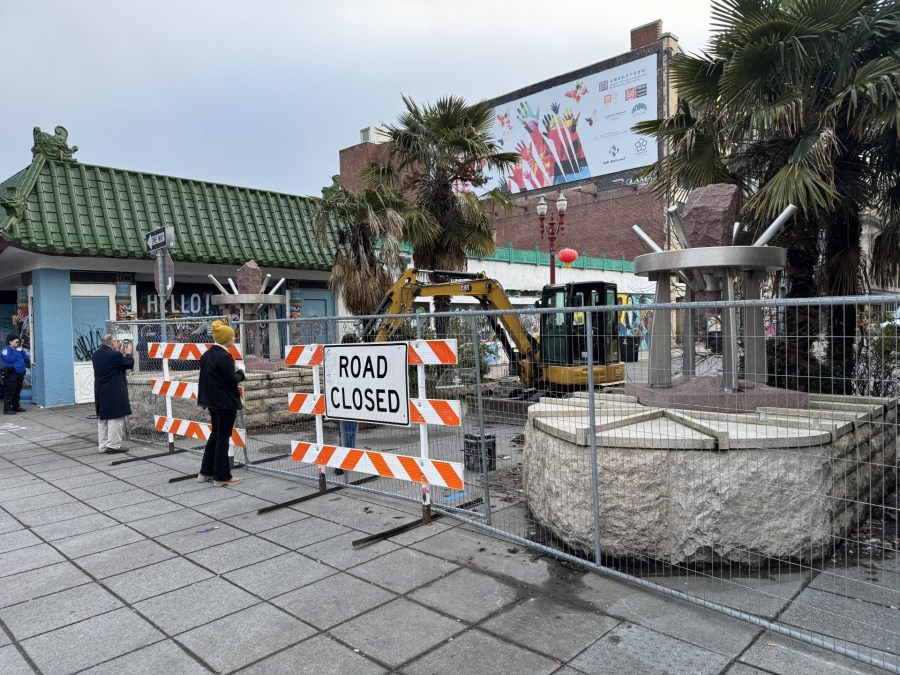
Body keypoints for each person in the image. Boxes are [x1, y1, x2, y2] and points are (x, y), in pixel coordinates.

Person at [197, 320, 246, 487]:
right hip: (225, 403)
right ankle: (221, 476)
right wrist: (241, 373)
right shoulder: (224, 357)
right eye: (232, 337)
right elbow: (232, 380)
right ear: (226, 339)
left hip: (211, 402)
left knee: (215, 434)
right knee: (223, 437)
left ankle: (205, 472)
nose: (234, 339)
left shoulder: (207, 354)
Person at [91, 334, 134, 452]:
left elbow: (113, 364)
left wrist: (120, 353)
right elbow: (129, 364)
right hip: (114, 391)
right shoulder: (114, 355)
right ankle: (113, 445)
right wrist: (128, 353)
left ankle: (103, 445)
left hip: (100, 390)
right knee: (116, 418)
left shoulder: (96, 355)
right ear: (113, 343)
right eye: (116, 341)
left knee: (103, 419)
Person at [1, 335, 29, 414]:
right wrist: (16, 351)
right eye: (16, 341)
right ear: (10, 341)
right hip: (11, 374)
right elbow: (10, 359)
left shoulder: (18, 350)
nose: (17, 343)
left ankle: (16, 407)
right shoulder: (5, 350)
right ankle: (7, 409)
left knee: (17, 391)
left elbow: (26, 359)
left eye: (18, 342)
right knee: (10, 392)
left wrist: (22, 351)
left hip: (19, 373)